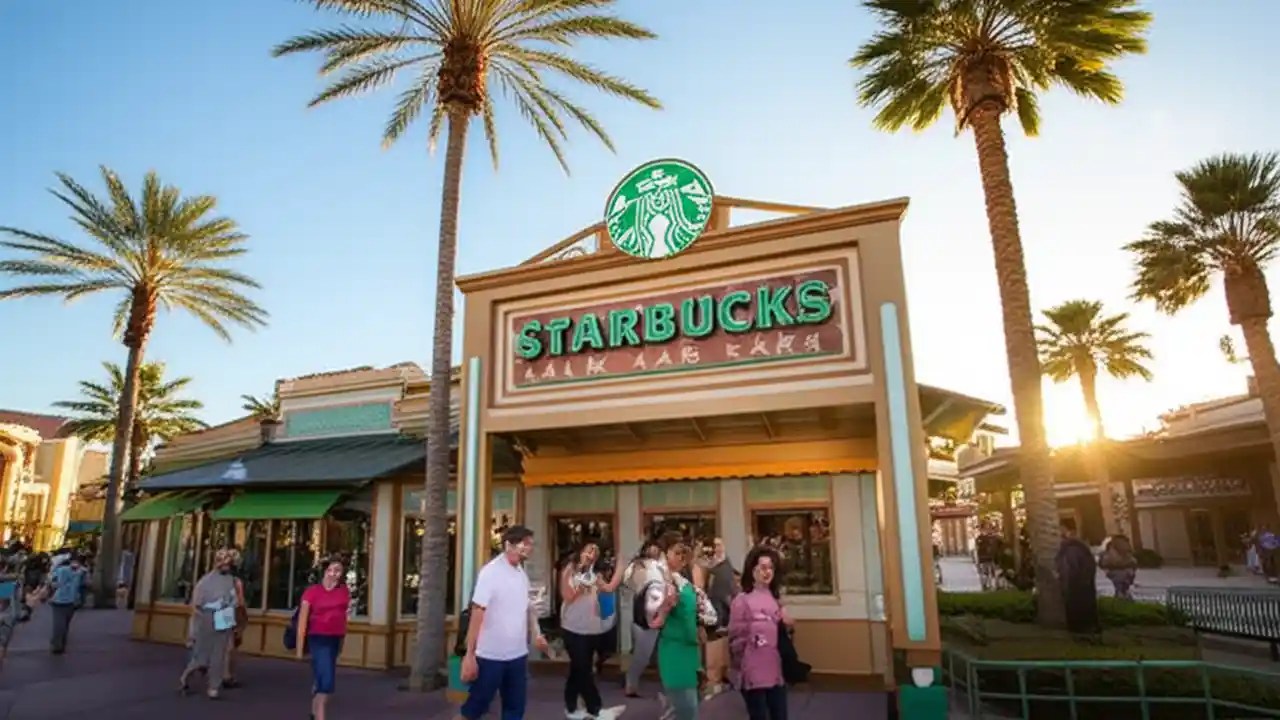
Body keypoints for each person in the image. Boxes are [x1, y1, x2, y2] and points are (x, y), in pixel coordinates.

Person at [456, 526, 550, 720]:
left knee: (515, 708)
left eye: (531, 544)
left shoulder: (521, 574)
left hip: (517, 656)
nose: (529, 548)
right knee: (474, 708)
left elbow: (528, 608)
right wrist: (470, 654)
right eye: (525, 543)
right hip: (491, 656)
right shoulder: (490, 573)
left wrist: (537, 633)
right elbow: (477, 612)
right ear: (509, 545)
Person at [559, 540, 626, 720]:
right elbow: (566, 596)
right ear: (580, 552)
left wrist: (620, 566)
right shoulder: (569, 570)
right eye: (588, 551)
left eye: (595, 553)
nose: (591, 555)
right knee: (583, 669)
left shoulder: (595, 574)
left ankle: (571, 707)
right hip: (573, 628)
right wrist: (580, 589)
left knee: (579, 668)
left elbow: (610, 588)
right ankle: (595, 708)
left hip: (592, 629)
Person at [729, 545, 792, 720]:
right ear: (752, 569)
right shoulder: (742, 600)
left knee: (780, 715)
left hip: (774, 670)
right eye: (763, 567)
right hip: (752, 672)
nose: (767, 572)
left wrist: (786, 622)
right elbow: (735, 640)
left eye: (771, 568)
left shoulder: (775, 599)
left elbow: (783, 636)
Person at [647, 532, 703, 720]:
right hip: (674, 650)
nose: (681, 557)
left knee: (682, 709)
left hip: (691, 649)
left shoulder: (684, 578)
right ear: (665, 553)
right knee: (687, 710)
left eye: (684, 553)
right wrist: (665, 607)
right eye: (676, 552)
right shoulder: (658, 582)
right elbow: (653, 621)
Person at [296, 556, 351, 720]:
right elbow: (302, 621)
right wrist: (299, 650)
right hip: (318, 637)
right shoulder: (312, 592)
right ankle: (320, 716)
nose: (333, 574)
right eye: (330, 570)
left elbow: (344, 616)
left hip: (335, 637)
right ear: (324, 571)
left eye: (338, 571)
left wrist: (342, 640)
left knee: (323, 675)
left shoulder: (343, 591)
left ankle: (314, 711)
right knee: (326, 681)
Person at [180, 548, 238, 699]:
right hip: (208, 615)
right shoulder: (205, 581)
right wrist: (194, 629)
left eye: (228, 564)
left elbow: (234, 599)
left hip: (224, 614)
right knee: (202, 653)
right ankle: (186, 677)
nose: (227, 567)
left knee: (220, 652)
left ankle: (214, 686)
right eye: (224, 564)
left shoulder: (230, 580)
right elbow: (196, 605)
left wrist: (230, 608)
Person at [623, 541, 662, 698]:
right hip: (644, 614)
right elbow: (635, 585)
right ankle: (631, 683)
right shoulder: (638, 565)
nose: (654, 550)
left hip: (661, 612)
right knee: (642, 655)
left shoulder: (661, 565)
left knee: (661, 653)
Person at [701, 538, 736, 699]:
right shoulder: (709, 566)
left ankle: (716, 681)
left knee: (718, 648)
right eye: (713, 546)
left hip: (721, 614)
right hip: (712, 614)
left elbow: (728, 592)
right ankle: (714, 681)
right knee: (714, 647)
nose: (716, 549)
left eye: (719, 545)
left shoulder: (724, 568)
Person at [1055, 524, 1099, 635]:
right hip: (1085, 589)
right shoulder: (1081, 549)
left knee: (1078, 617)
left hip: (1075, 590)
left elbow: (1068, 571)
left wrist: (1064, 587)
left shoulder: (1070, 550)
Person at [46, 552, 89, 654]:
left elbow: (84, 584)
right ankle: (57, 645)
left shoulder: (81, 572)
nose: (76, 564)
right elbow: (53, 579)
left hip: (70, 601)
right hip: (60, 601)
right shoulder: (64, 570)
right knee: (60, 624)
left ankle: (60, 643)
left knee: (64, 624)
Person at [222, 549, 249, 689]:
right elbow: (241, 601)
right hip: (230, 611)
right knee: (230, 644)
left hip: (219, 611)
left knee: (224, 643)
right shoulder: (236, 581)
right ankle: (226, 674)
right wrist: (244, 616)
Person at [1099, 535, 1138, 600]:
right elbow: (1106, 563)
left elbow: (1133, 562)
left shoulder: (1127, 554)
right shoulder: (1111, 552)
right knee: (1122, 577)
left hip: (1121, 575)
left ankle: (1123, 592)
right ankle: (1121, 592)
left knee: (1125, 576)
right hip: (1116, 575)